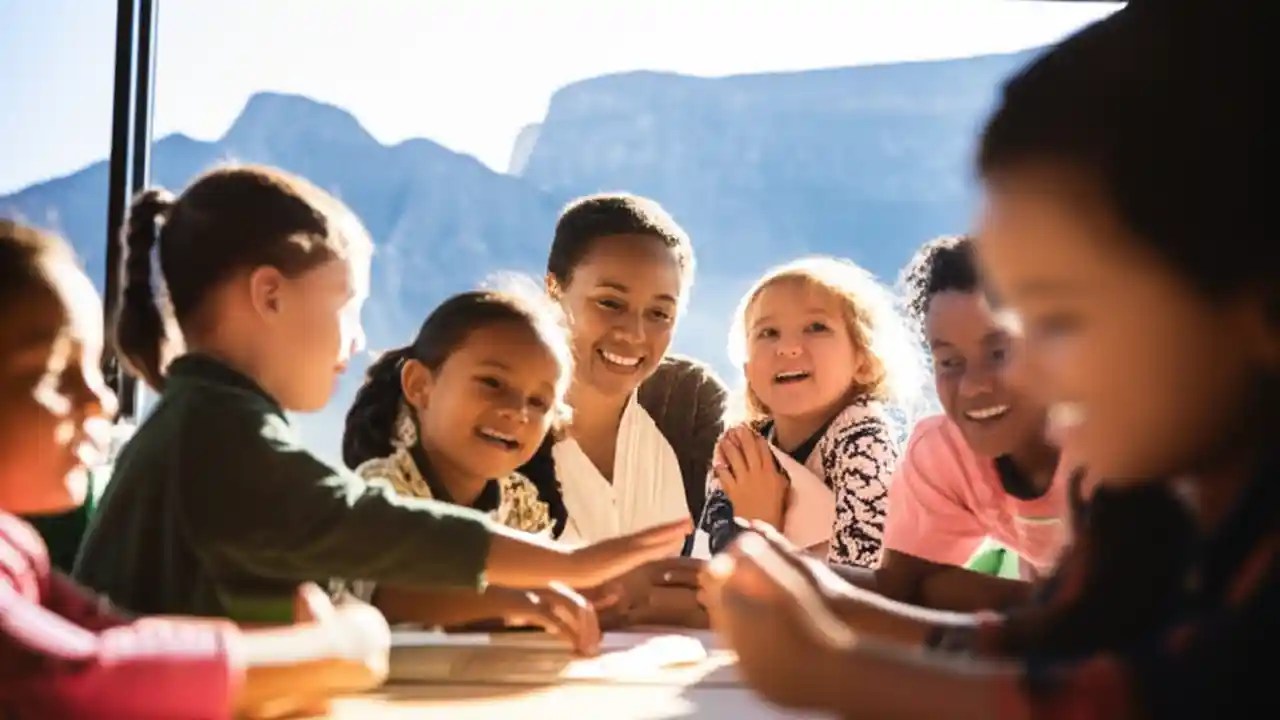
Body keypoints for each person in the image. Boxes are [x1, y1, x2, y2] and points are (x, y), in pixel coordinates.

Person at [703, 2, 1273, 717]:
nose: (1025, 376)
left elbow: (1167, 695)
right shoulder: (1148, 500)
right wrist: (826, 604)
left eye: (1061, 319)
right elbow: (1061, 638)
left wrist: (836, 673)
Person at [72, 165, 690, 624]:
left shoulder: (204, 420)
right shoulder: (220, 434)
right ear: (270, 296)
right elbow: (373, 526)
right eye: (347, 306)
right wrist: (576, 566)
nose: (359, 337)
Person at [0, 219, 389, 719]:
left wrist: (299, 648)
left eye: (97, 369)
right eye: (52, 373)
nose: (100, 401)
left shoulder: (15, 548)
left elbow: (120, 639)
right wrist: (334, 651)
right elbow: (84, 681)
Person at [341, 286, 600, 653]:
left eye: (539, 401)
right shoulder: (383, 487)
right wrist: (511, 600)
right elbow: (391, 594)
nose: (517, 411)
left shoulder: (519, 503)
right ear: (420, 386)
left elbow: (553, 588)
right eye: (493, 383)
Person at [831, 235, 1075, 611]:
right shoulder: (944, 454)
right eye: (950, 362)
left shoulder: (1113, 438)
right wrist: (779, 572)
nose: (974, 384)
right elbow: (901, 589)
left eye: (999, 353)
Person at [697, 256, 922, 568]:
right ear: (748, 368)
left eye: (816, 327)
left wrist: (761, 527)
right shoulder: (742, 446)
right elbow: (715, 557)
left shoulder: (862, 437)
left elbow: (865, 568)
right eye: (768, 333)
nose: (787, 347)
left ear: (865, 360)